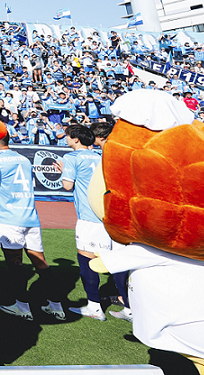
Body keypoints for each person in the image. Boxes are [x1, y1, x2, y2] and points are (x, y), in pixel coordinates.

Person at [58, 124, 131, 322]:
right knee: (115, 261)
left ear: (75, 139)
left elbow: (67, 186)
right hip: (107, 215)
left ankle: (94, 306)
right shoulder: (100, 156)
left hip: (89, 218)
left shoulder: (71, 157)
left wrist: (63, 173)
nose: (65, 139)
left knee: (86, 260)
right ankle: (128, 304)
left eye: (67, 136)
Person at [0, 128, 63, 320]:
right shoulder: (23, 159)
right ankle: (56, 305)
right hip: (30, 216)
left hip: (9, 218)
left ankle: (22, 306)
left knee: (15, 265)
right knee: (41, 262)